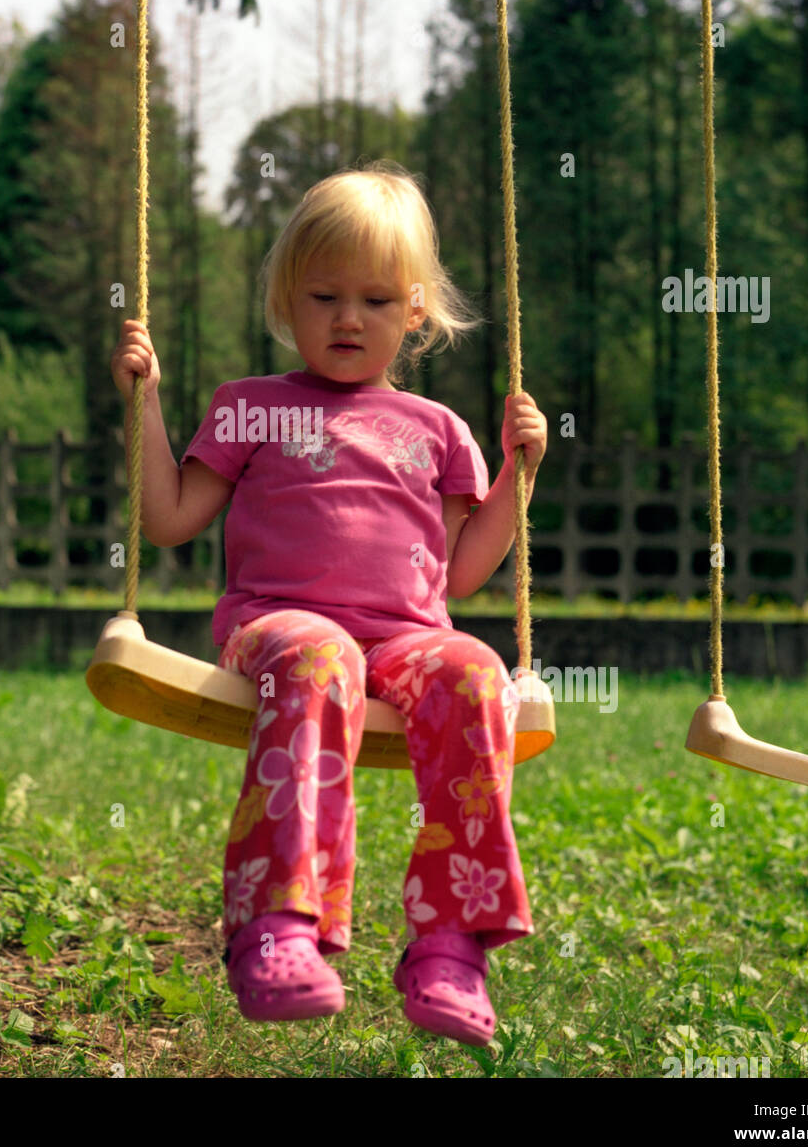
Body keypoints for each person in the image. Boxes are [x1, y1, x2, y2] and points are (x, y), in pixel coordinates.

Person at [108, 161, 548, 1047]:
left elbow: (461, 576)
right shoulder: (249, 409)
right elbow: (167, 520)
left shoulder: (437, 430)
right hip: (280, 629)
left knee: (472, 667)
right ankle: (278, 924)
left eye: (377, 301)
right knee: (321, 656)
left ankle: (449, 947)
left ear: (414, 311)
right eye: (323, 295)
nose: (349, 318)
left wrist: (517, 478)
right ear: (285, 299)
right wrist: (145, 402)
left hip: (407, 641)